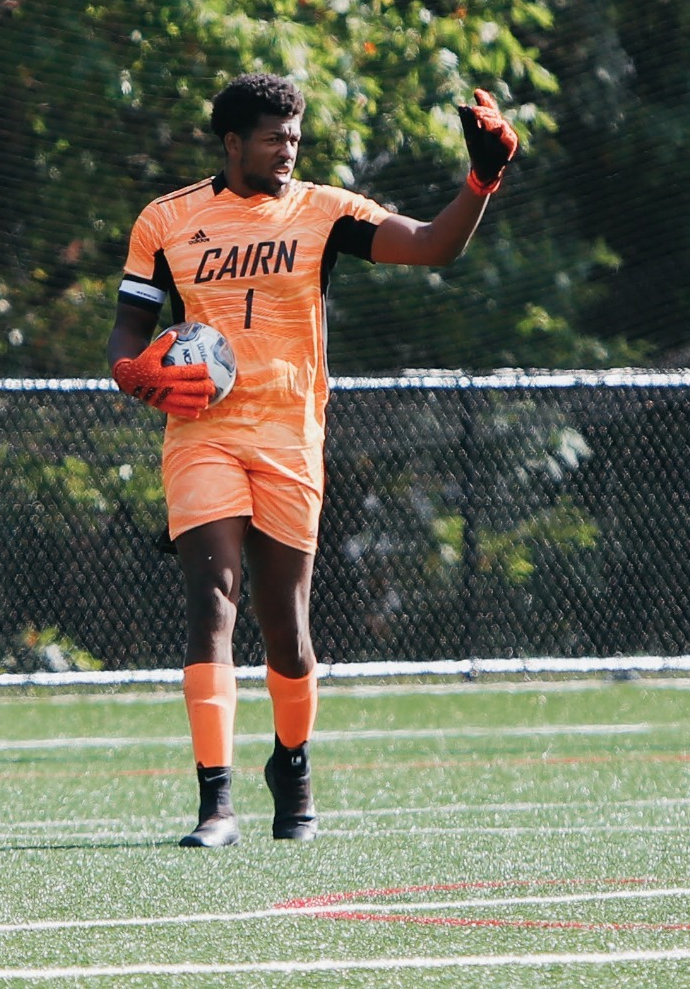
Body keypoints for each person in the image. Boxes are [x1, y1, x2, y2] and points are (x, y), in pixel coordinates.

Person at [106, 72, 519, 847]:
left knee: (286, 625)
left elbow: (436, 245)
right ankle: (215, 801)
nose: (288, 147)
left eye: (295, 135)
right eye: (273, 137)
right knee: (212, 600)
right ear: (233, 144)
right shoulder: (165, 221)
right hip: (203, 433)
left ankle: (290, 764)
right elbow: (128, 334)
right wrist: (132, 372)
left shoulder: (324, 212)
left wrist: (483, 179)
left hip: (292, 435)